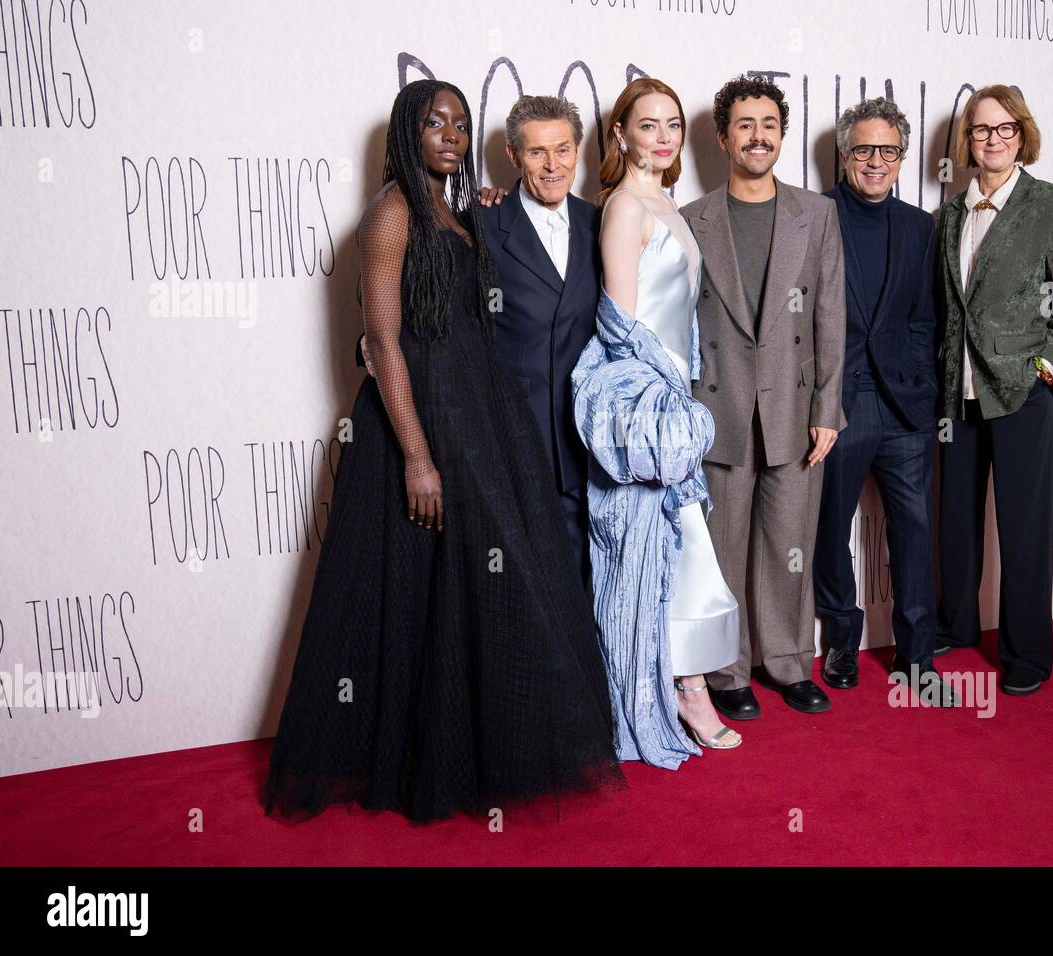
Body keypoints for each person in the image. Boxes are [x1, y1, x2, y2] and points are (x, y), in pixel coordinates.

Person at [262, 79, 623, 824]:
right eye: (436, 123)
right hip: (420, 426)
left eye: (460, 123)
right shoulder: (390, 216)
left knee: (474, 595)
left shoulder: (460, 214)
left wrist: (486, 204)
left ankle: (479, 753)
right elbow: (382, 341)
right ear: (407, 132)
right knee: (423, 600)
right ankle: (422, 765)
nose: (452, 134)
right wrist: (418, 458)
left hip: (477, 418)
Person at [360, 95, 599, 584]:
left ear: (579, 151)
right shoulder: (479, 223)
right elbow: (418, 315)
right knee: (516, 588)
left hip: (590, 438)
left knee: (587, 585)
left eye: (563, 150)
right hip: (505, 436)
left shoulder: (605, 224)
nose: (552, 165)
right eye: (536, 153)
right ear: (513, 157)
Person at [574, 77, 742, 769]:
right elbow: (620, 322)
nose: (665, 136)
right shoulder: (622, 206)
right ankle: (678, 691)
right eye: (649, 125)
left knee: (678, 549)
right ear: (621, 135)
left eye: (673, 123)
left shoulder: (666, 201)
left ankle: (683, 681)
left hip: (672, 401)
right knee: (651, 550)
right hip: (640, 405)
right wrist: (662, 407)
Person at [680, 75, 846, 720]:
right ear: (723, 137)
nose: (758, 135)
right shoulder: (691, 220)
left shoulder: (817, 214)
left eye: (769, 123)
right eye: (744, 124)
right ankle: (726, 671)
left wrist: (827, 411)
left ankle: (786, 663)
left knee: (788, 544)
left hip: (795, 412)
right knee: (723, 548)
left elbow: (832, 316)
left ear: (782, 133)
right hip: (717, 411)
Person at [932, 84, 1053, 696]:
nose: (992, 140)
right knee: (957, 520)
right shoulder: (947, 216)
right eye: (980, 130)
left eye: (1004, 129)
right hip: (958, 390)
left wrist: (1046, 373)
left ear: (1021, 135)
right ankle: (958, 625)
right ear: (968, 142)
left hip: (1022, 390)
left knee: (1023, 526)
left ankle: (1028, 653)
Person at [814, 97, 952, 702]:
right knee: (829, 530)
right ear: (844, 156)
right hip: (838, 405)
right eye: (863, 149)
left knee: (916, 530)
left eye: (888, 150)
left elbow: (926, 319)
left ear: (901, 157)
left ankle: (916, 656)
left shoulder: (921, 226)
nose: (876, 161)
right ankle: (842, 641)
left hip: (905, 410)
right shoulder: (812, 218)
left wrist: (920, 387)